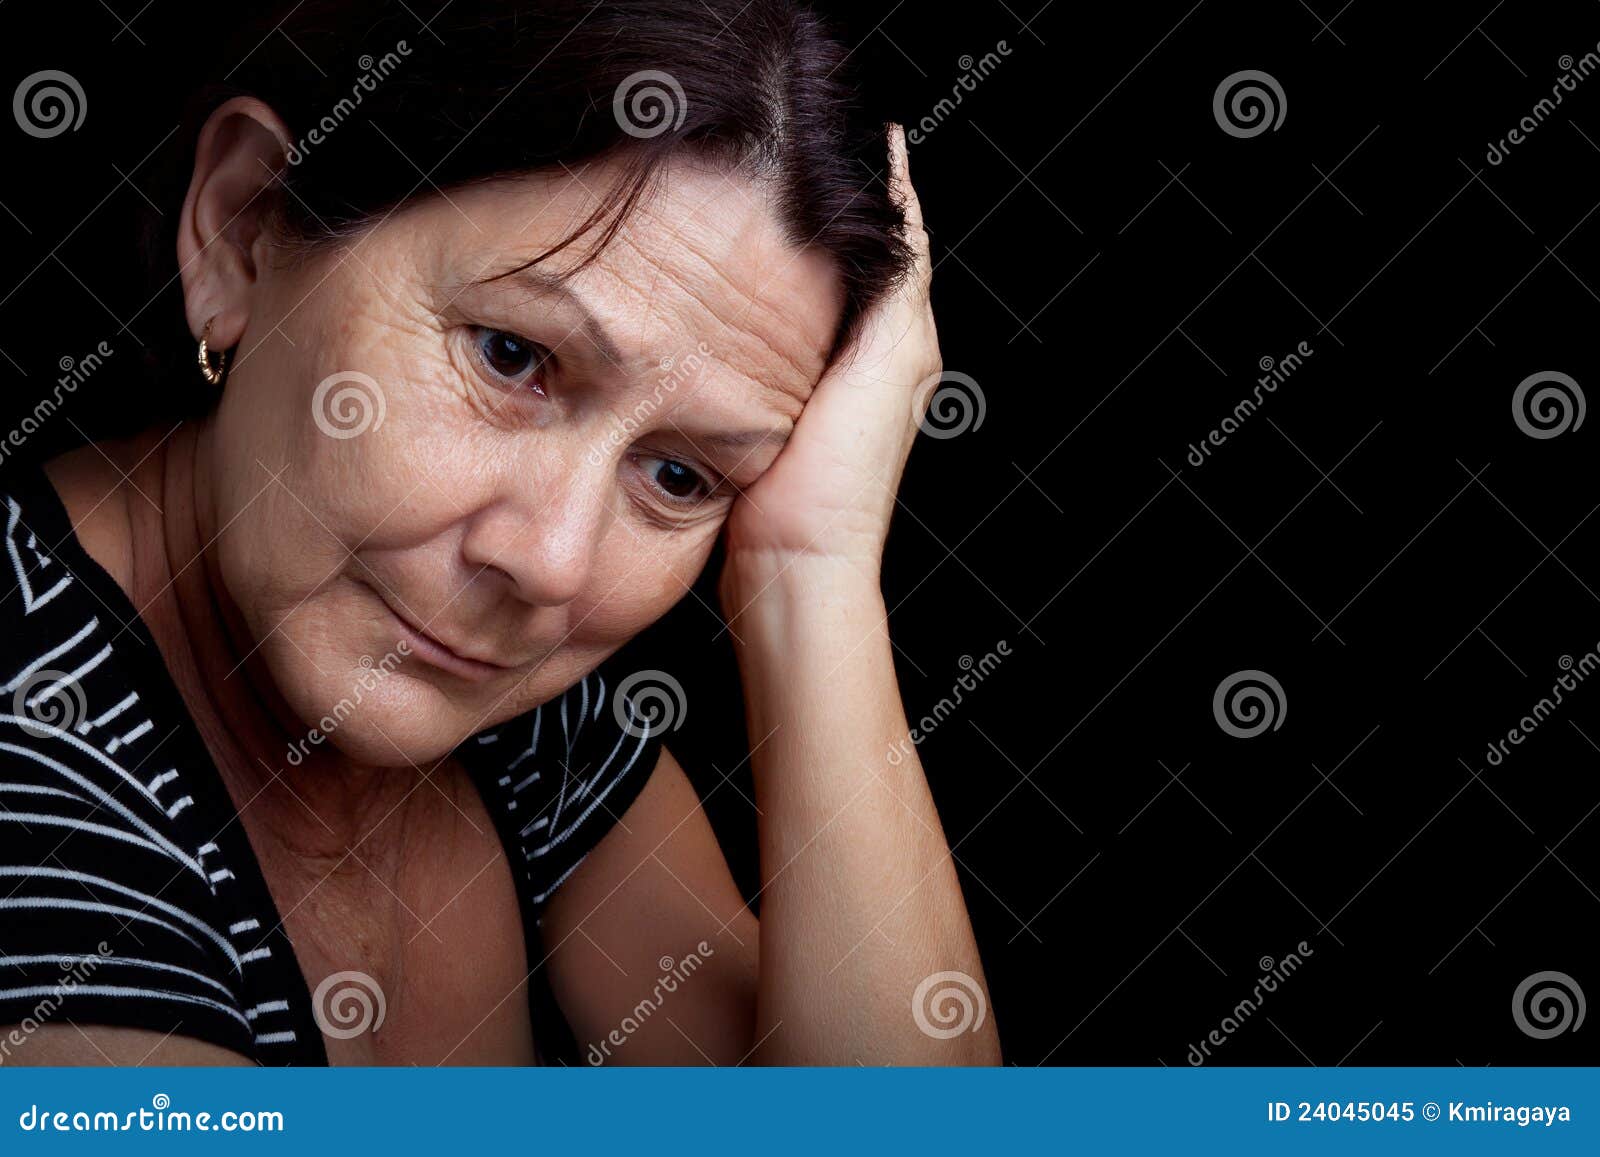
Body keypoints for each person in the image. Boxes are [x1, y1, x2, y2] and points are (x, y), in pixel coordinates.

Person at [0, 0, 998, 1066]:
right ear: (245, 228)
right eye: (511, 357)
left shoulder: (527, 735)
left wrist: (814, 569)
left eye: (679, 476)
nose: (550, 563)